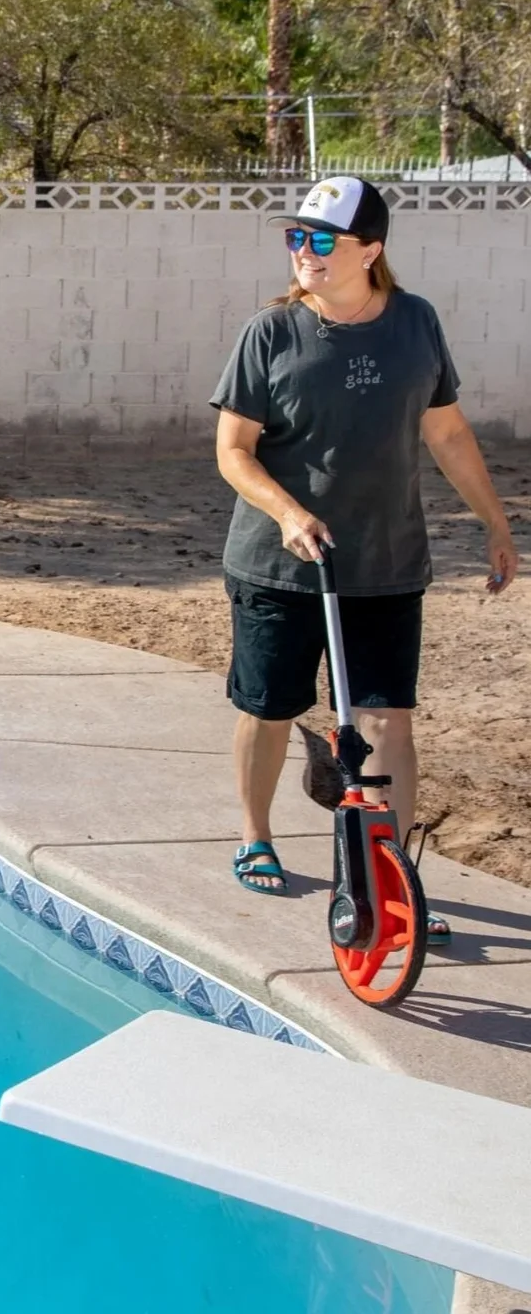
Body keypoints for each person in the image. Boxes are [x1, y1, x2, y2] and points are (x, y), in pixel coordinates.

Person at [210, 175, 518, 933]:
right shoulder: (271, 333)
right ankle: (256, 835)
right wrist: (287, 511)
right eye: (295, 237)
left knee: (388, 722)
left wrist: (496, 522)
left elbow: (445, 432)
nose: (303, 252)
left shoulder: (416, 323)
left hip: (386, 561)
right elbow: (233, 451)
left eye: (320, 240)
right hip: (281, 564)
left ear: (370, 250)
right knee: (271, 707)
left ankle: (388, 873)